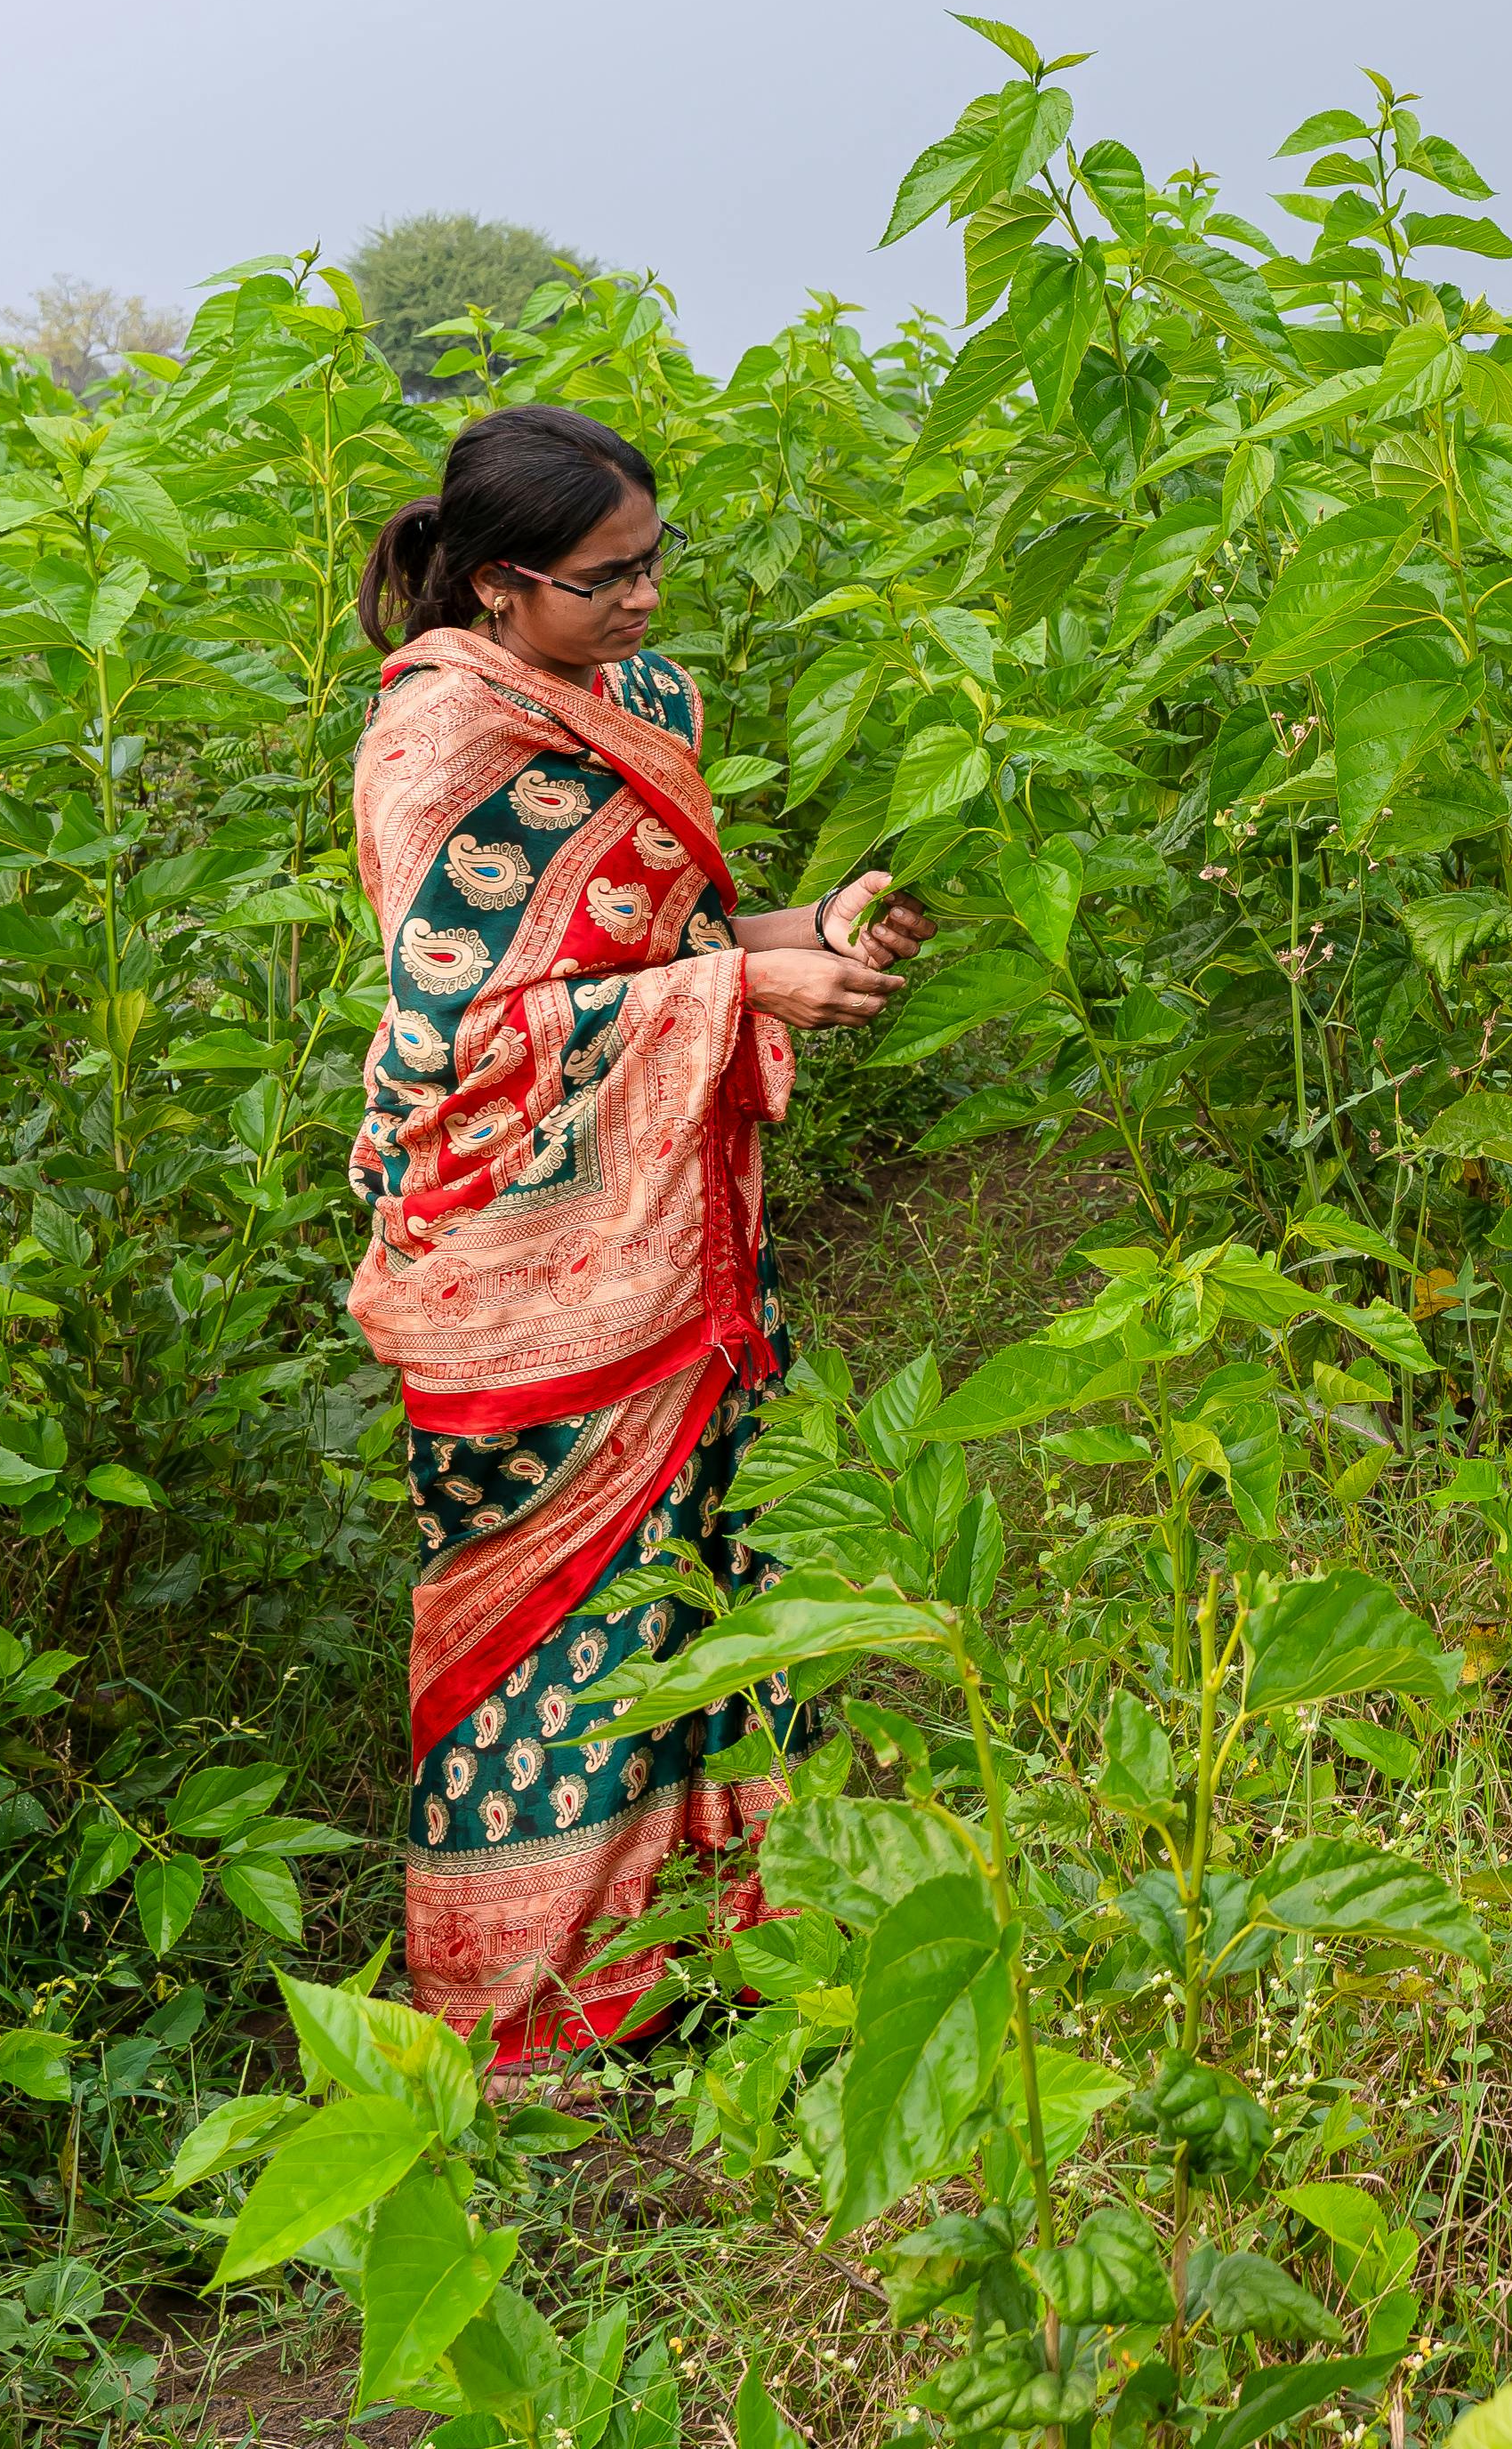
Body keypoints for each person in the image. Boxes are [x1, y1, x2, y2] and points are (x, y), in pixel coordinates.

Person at [345, 401, 931, 2064]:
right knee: (537, 1619)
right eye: (609, 580)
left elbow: (650, 942)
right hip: (508, 1251)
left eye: (656, 562)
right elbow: (480, 1031)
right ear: (504, 587)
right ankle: (521, 2008)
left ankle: (710, 1961)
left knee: (708, 1586)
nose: (646, 604)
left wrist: (803, 931)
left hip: (674, 1241)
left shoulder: (637, 705)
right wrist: (745, 988)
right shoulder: (438, 749)